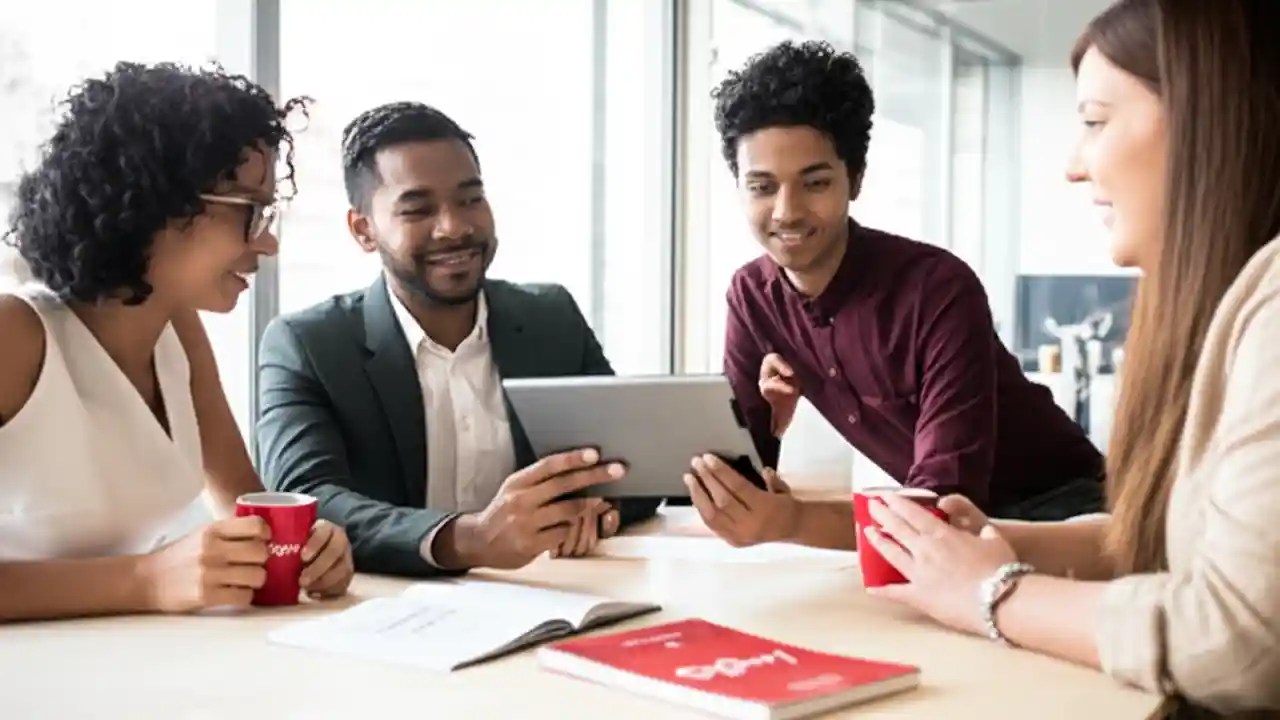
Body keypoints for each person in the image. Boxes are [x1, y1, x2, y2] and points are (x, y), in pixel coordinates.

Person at [861, 0, 1280, 715]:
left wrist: (995, 594)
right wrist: (992, 545)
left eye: (1094, 121)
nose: (1074, 168)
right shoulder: (1227, 307)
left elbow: (1242, 641)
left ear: (1201, 116)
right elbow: (1173, 540)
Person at [684, 40, 1105, 551]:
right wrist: (767, 435)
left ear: (854, 180)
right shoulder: (752, 297)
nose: (786, 212)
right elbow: (740, 478)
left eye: (814, 182)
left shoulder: (937, 288)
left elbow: (944, 505)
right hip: (937, 542)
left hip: (1066, 515)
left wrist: (791, 520)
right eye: (762, 187)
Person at [0, 62, 354, 622]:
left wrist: (306, 550)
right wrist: (144, 579)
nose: (266, 242)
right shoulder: (14, 335)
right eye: (249, 211)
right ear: (152, 204)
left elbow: (247, 509)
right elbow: (152, 578)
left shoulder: (178, 331)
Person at [256, 102, 659, 577]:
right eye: (418, 209)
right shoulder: (308, 345)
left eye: (470, 199)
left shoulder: (551, 317)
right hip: (381, 613)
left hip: (553, 595)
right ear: (364, 230)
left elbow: (632, 467)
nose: (454, 227)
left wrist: (598, 509)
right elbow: (310, 499)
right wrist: (469, 539)